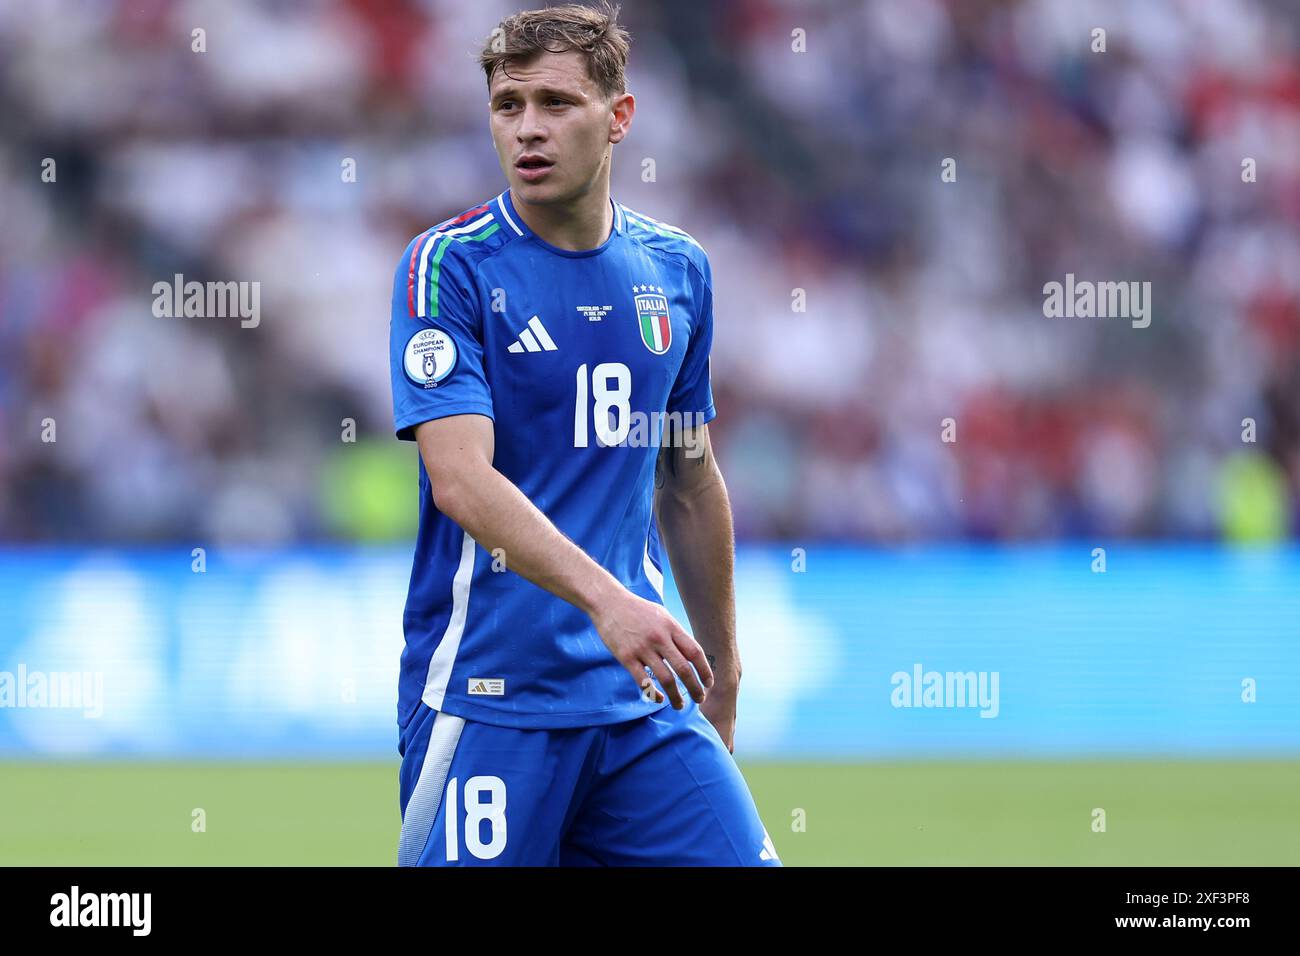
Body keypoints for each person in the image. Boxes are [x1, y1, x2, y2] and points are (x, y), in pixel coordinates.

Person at [389, 1, 779, 866]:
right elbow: (461, 481)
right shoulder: (449, 267)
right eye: (508, 105)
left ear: (620, 118)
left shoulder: (677, 270)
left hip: (639, 701)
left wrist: (722, 663)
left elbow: (688, 478)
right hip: (491, 700)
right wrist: (610, 602)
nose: (528, 128)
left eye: (557, 104)